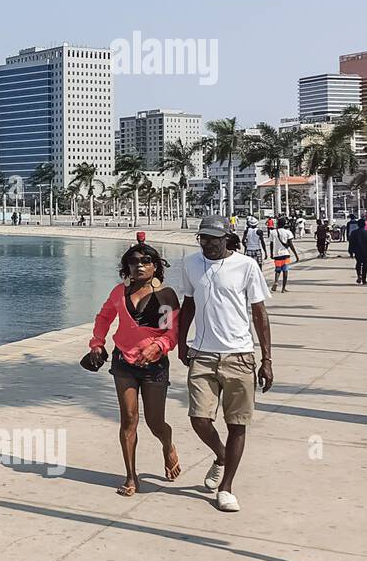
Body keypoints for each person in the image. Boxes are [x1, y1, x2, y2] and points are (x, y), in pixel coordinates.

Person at [177, 215, 273, 513]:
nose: (207, 244)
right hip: (203, 354)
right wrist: (182, 343)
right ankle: (221, 456)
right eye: (203, 239)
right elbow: (188, 304)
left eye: (213, 239)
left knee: (237, 424)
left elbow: (259, 313)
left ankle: (226, 487)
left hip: (240, 355)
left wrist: (266, 359)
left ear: (227, 238)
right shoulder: (191, 264)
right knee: (199, 419)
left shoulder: (246, 266)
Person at [86, 241, 181, 497]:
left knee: (155, 422)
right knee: (129, 419)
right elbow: (104, 317)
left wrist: (158, 346)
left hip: (154, 365)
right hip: (123, 363)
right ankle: (131, 476)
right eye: (134, 262)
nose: (139, 265)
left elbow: (171, 332)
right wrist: (97, 342)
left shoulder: (165, 296)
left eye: (146, 261)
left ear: (155, 266)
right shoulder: (119, 293)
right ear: (126, 267)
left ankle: (168, 445)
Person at [271, 216, 298, 293]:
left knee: (278, 270)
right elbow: (291, 244)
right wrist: (296, 255)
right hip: (285, 254)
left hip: (277, 255)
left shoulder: (273, 232)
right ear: (285, 224)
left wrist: (271, 254)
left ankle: (276, 282)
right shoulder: (288, 232)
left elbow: (271, 244)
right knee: (285, 271)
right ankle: (283, 288)